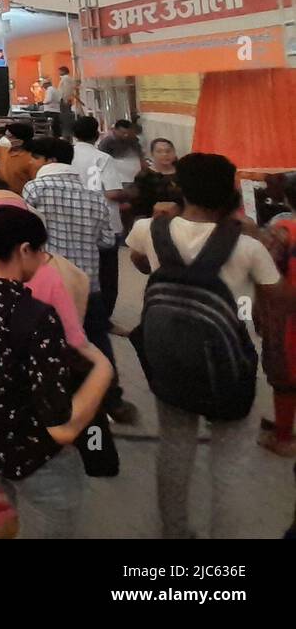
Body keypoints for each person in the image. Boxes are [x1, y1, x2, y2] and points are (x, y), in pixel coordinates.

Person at [126, 153, 286, 537]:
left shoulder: (150, 228)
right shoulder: (247, 245)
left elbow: (142, 264)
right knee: (230, 463)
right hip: (228, 366)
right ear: (230, 192)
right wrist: (265, 242)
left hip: (168, 359)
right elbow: (282, 299)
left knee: (174, 448)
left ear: (179, 188)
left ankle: (175, 531)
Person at [0, 205, 112, 537]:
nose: (42, 261)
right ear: (24, 250)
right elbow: (62, 428)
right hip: (36, 457)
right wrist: (103, 371)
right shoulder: (36, 316)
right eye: (41, 252)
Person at [22, 136, 134, 425]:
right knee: (96, 342)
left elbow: (25, 236)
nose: (29, 163)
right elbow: (107, 240)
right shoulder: (94, 197)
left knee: (48, 346)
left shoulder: (34, 189)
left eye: (34, 157)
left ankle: (54, 405)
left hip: (47, 287)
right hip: (88, 285)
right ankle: (112, 400)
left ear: (47, 160)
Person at [70, 115, 127, 325]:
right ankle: (104, 318)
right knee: (107, 273)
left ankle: (79, 312)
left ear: (74, 135)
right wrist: (129, 195)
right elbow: (112, 192)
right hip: (103, 222)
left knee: (80, 269)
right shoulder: (102, 158)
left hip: (75, 220)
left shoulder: (67, 155)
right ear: (97, 135)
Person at [260, 173, 296, 456]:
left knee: (285, 376)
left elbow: (266, 279)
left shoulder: (281, 231)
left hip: (287, 316)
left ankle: (283, 437)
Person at [130, 137, 182, 219]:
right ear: (152, 154)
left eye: (168, 151)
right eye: (159, 151)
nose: (165, 154)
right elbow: (139, 204)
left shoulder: (182, 172)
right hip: (155, 219)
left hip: (181, 219)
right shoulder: (145, 176)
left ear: (174, 152)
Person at [0, 120, 36, 194]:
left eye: (10, 137)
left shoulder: (31, 158)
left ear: (20, 140)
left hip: (21, 197)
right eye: (5, 135)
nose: (5, 138)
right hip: (4, 194)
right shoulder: (2, 150)